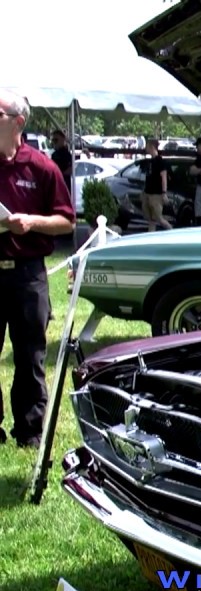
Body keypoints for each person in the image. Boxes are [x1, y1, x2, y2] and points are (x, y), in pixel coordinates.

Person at [0, 90, 75, 447]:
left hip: (28, 274)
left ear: (18, 122)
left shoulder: (42, 167)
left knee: (29, 353)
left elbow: (67, 222)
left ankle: (29, 430)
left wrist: (31, 222)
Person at [141, 139, 172, 232]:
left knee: (158, 218)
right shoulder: (150, 162)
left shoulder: (160, 161)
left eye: (147, 146)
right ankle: (151, 237)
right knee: (151, 220)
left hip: (156, 194)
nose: (146, 148)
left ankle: (171, 231)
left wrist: (164, 193)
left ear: (152, 147)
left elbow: (164, 177)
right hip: (148, 192)